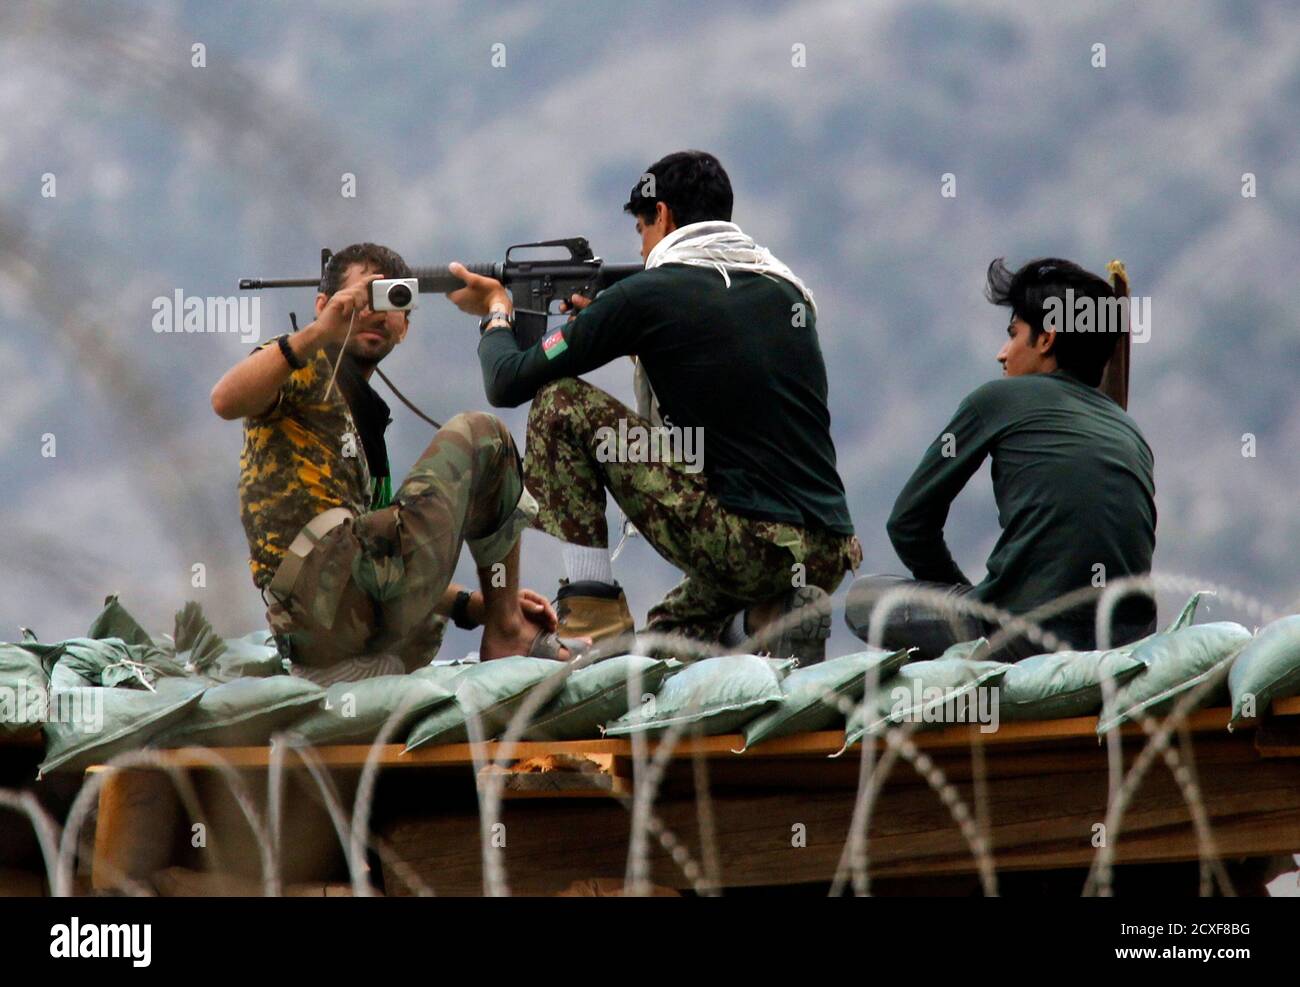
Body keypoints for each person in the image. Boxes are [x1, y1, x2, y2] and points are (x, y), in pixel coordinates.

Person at [445, 151, 860, 662]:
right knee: (667, 636)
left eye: (641, 231)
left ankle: (591, 604)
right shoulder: (782, 289)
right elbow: (727, 374)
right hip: (828, 550)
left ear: (662, 216)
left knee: (560, 404)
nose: (642, 251)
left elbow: (506, 382)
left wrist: (495, 314)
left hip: (748, 546)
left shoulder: (648, 294)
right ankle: (768, 620)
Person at [211, 242, 579, 684]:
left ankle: (357, 665)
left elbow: (379, 562)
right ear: (324, 306)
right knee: (483, 435)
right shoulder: (300, 364)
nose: (375, 314)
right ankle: (507, 637)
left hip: (340, 615)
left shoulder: (366, 417)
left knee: (424, 618)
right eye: (362, 299)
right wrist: (316, 335)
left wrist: (475, 605)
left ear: (404, 325)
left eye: (392, 301)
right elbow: (226, 400)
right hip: (314, 599)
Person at [846, 257, 1157, 661]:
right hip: (1127, 641)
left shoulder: (997, 400)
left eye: (1013, 334)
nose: (1002, 353)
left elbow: (908, 523)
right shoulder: (1130, 432)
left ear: (1046, 340)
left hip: (1021, 634)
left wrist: (968, 600)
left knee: (863, 600)